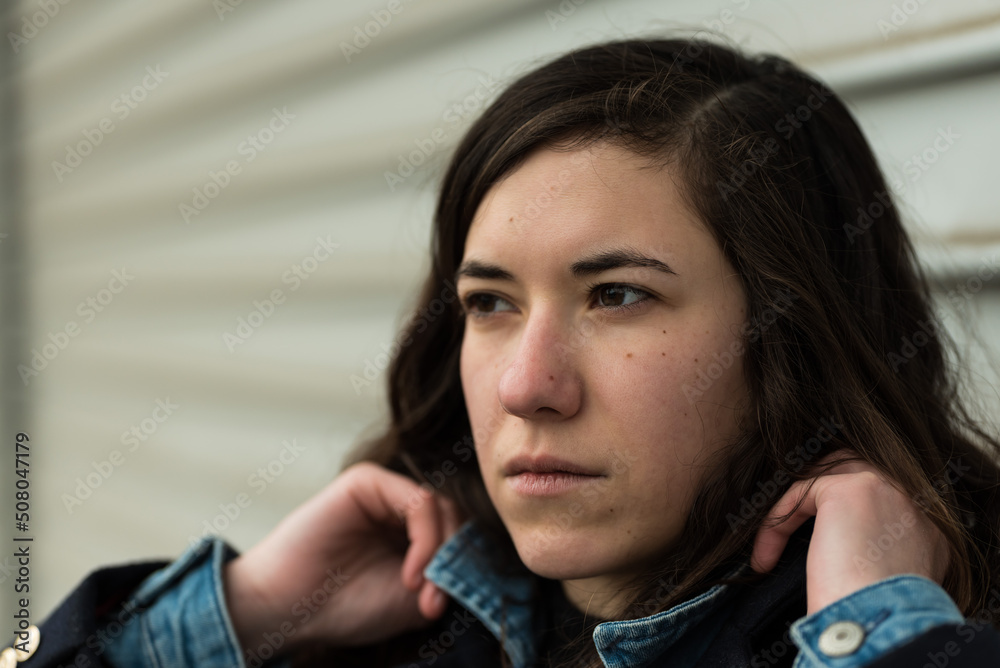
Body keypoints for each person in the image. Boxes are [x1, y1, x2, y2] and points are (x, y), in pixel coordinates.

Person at [13, 37, 1000, 668]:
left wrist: (878, 636)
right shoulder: (414, 616)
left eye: (617, 295)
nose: (527, 385)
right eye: (489, 301)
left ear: (791, 336)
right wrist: (242, 617)